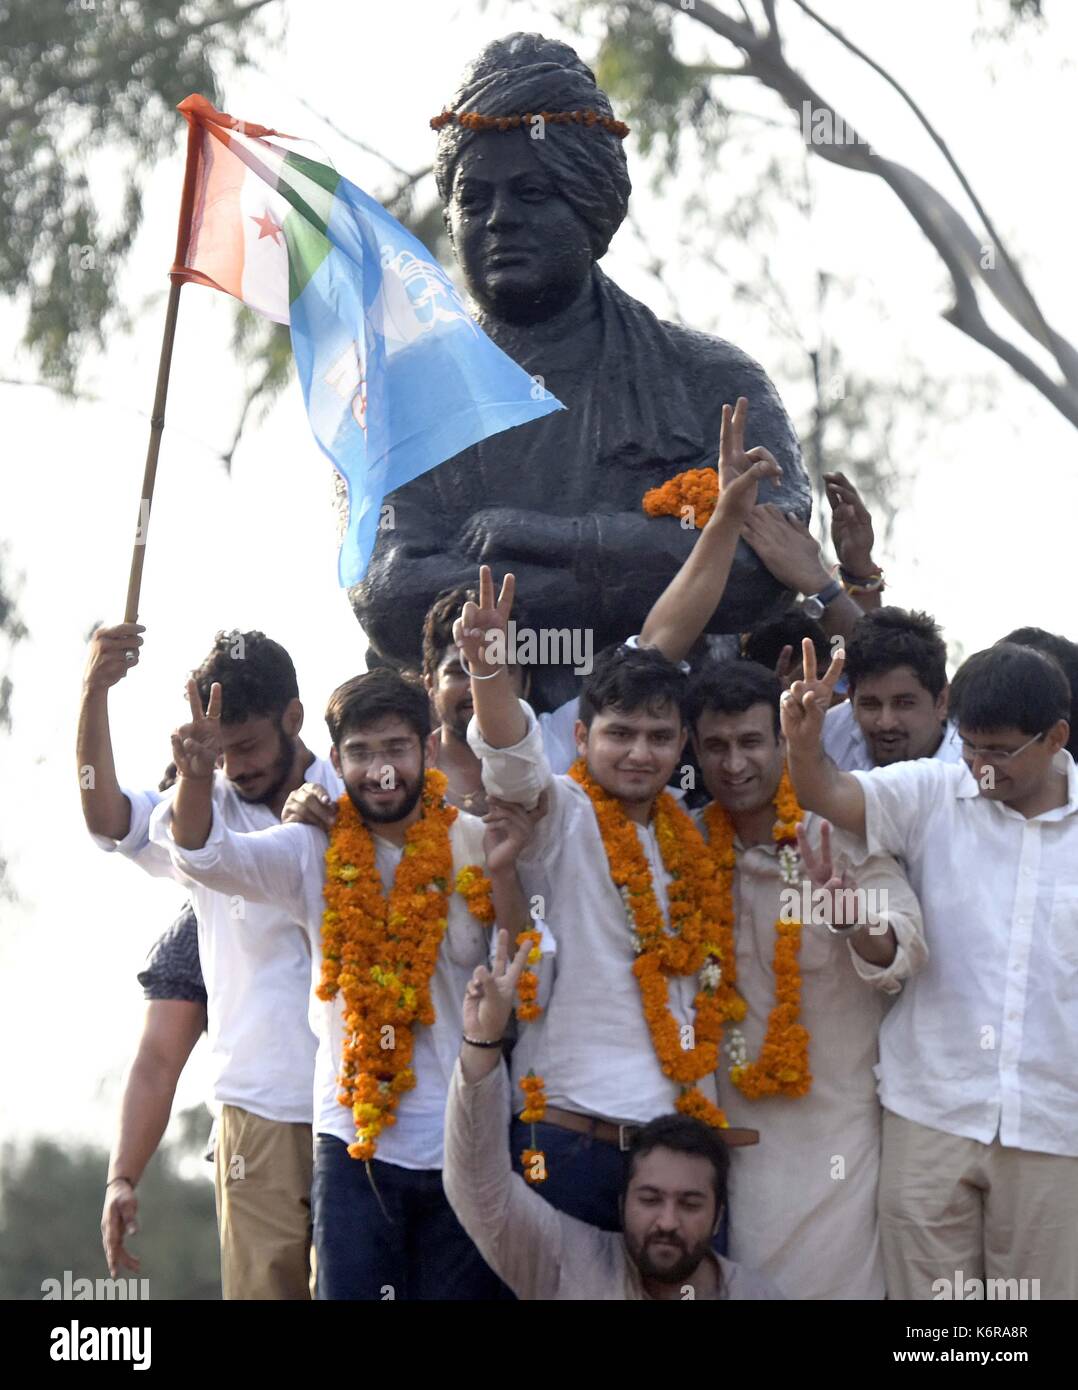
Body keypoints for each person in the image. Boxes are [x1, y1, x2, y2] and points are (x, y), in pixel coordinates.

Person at [150, 667, 536, 1301]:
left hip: (465, 1144)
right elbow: (208, 856)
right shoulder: (314, 850)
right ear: (334, 759)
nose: (380, 770)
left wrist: (503, 876)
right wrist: (197, 778)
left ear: (428, 749)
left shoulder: (476, 842)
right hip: (353, 1142)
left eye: (394, 749)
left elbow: (526, 967)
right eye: (360, 753)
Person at [781, 639, 1078, 1299]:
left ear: (1056, 737)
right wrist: (802, 744)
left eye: (999, 751)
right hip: (930, 1111)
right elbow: (826, 793)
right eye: (969, 745)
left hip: (1057, 1127)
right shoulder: (933, 792)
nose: (979, 767)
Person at [79, 624, 333, 1300]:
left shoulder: (356, 792)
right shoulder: (202, 806)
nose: (237, 767)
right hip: (257, 1113)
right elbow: (106, 816)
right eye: (223, 753)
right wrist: (94, 691)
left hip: (371, 1109)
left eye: (248, 746)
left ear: (295, 718)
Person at [685, 660, 925, 1298]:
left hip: (837, 1143)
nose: (734, 764)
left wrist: (853, 920)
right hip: (728, 1141)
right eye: (716, 746)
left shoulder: (836, 834)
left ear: (783, 743)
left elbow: (904, 945)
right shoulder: (683, 850)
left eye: (751, 742)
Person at [442, 929, 783, 1300]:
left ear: (718, 1218)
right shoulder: (568, 1261)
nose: (667, 1222)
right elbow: (478, 1190)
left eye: (690, 1204)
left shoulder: (755, 1294)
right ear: (622, 1205)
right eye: (650, 1199)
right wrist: (482, 1042)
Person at [102, 904, 208, 1280]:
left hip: (387, 1127)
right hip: (264, 1140)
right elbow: (157, 1062)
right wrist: (122, 1178)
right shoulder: (212, 907)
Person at [821, 607, 962, 772]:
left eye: (903, 703)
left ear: (941, 701)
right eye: (870, 704)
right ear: (852, 699)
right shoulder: (824, 735)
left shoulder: (979, 770)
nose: (886, 723)